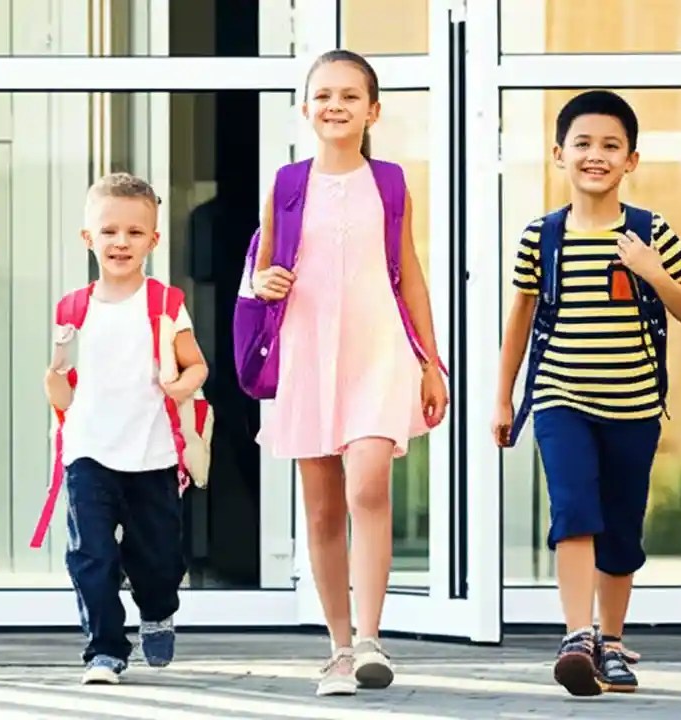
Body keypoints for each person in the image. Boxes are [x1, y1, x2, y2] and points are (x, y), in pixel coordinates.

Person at [246, 49, 449, 697]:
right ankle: (337, 646)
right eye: (323, 95)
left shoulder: (390, 182)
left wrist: (431, 360)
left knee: (368, 486)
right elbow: (263, 266)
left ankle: (370, 638)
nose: (335, 105)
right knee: (324, 507)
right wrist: (265, 281)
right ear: (305, 108)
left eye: (350, 96)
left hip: (378, 351)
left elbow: (408, 273)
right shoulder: (286, 182)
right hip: (308, 353)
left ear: (373, 110)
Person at [492, 90, 681, 697]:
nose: (596, 156)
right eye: (582, 144)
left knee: (620, 528)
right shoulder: (543, 236)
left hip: (635, 407)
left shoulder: (651, 231)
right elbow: (520, 322)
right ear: (558, 154)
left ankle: (611, 643)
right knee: (574, 511)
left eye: (611, 146)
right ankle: (575, 637)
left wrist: (652, 270)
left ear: (631, 160)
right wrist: (502, 398)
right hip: (561, 398)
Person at [43, 172, 209, 685]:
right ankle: (104, 650)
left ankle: (158, 611)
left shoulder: (165, 303)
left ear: (153, 241)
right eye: (109, 231)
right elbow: (63, 387)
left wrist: (184, 387)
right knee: (90, 556)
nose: (121, 242)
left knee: (156, 559)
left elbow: (196, 365)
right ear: (87, 238)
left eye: (135, 233)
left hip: (152, 453)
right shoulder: (73, 307)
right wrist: (52, 381)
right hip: (88, 450)